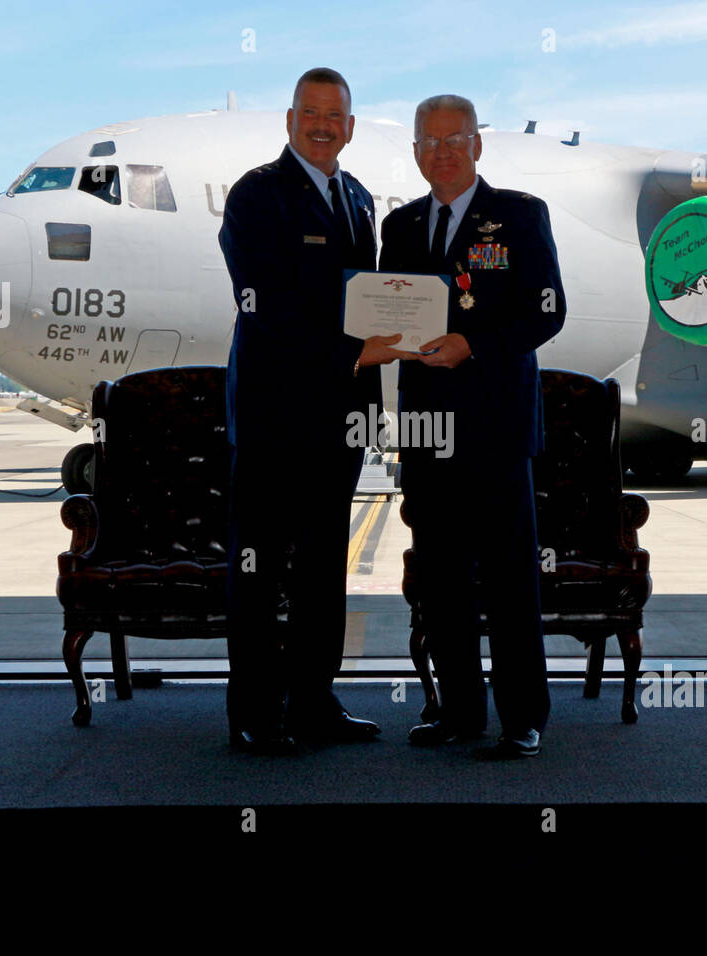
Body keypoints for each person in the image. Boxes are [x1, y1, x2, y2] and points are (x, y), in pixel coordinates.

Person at [218, 68, 406, 753]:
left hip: (338, 418)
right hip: (273, 414)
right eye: (311, 112)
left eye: (336, 115)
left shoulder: (358, 200)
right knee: (258, 568)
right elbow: (262, 305)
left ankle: (313, 703)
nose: (323, 124)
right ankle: (255, 714)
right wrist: (354, 356)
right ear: (290, 119)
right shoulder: (256, 196)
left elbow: (370, 299)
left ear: (350, 128)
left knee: (325, 568)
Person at [379, 94, 566, 758]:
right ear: (415, 152)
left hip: (495, 430)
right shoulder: (399, 228)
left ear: (477, 144)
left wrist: (472, 343)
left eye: (453, 139)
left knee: (511, 580)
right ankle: (458, 712)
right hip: (428, 433)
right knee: (443, 581)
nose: (441, 152)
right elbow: (385, 310)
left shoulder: (518, 215)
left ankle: (523, 717)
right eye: (427, 143)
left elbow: (545, 312)